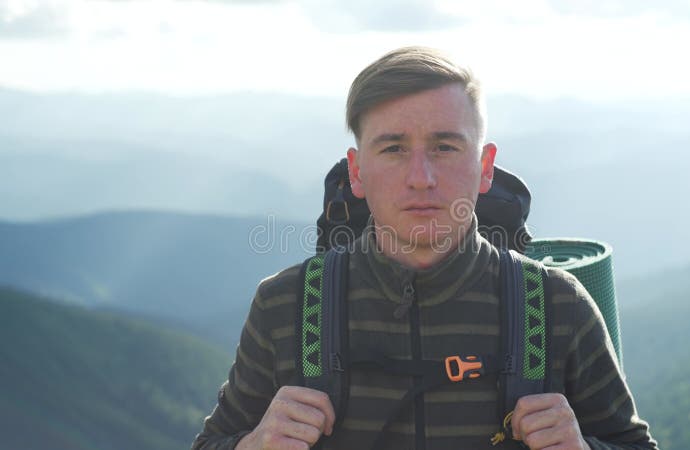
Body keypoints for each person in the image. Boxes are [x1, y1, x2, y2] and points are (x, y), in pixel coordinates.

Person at [192, 46, 658, 450]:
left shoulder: (560, 307)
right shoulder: (284, 307)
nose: (421, 178)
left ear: (485, 165)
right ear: (356, 171)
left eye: (445, 148)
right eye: (393, 149)